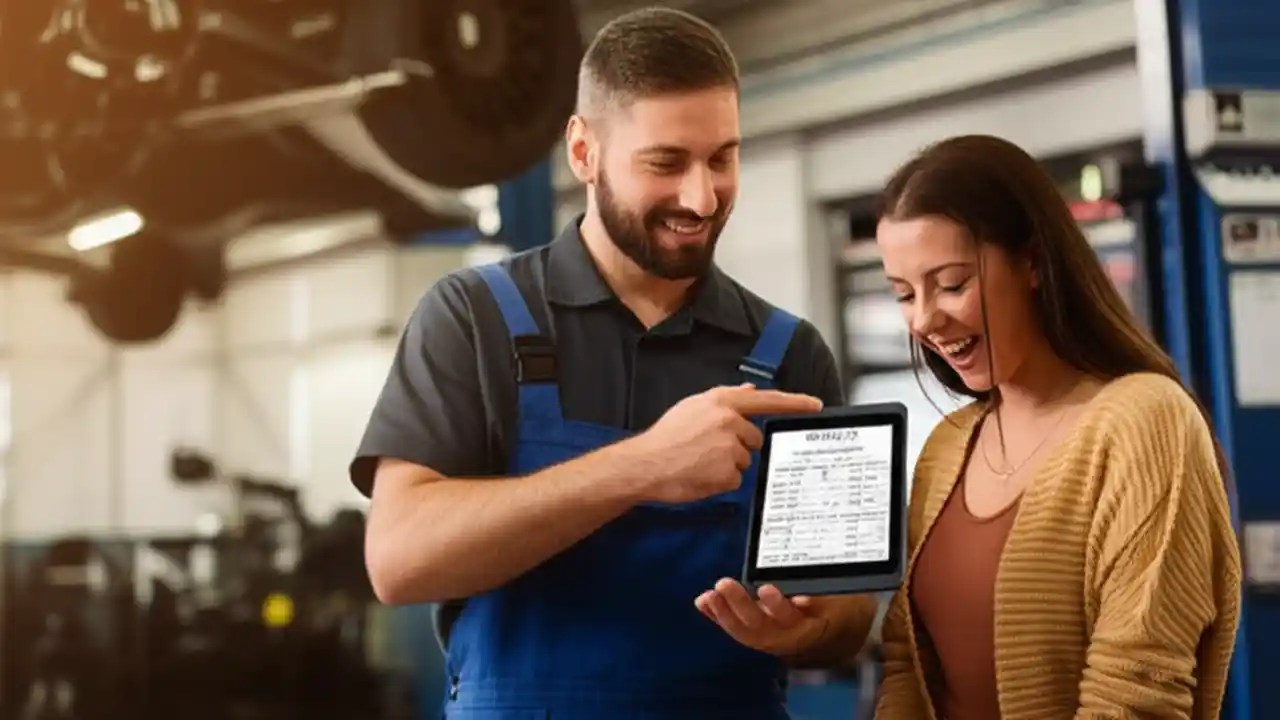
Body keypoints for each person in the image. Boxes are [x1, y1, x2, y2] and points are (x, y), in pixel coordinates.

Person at [350, 8, 879, 719]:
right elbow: (399, 558)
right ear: (583, 151)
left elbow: (847, 614)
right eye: (665, 163)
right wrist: (645, 466)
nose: (702, 198)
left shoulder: (790, 353)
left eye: (722, 157)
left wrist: (813, 625)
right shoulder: (472, 319)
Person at [869, 134, 1242, 719]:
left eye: (951, 284)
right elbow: (905, 668)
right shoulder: (946, 449)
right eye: (903, 294)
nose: (924, 318)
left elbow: (1138, 691)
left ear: (1033, 262)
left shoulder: (1144, 422)